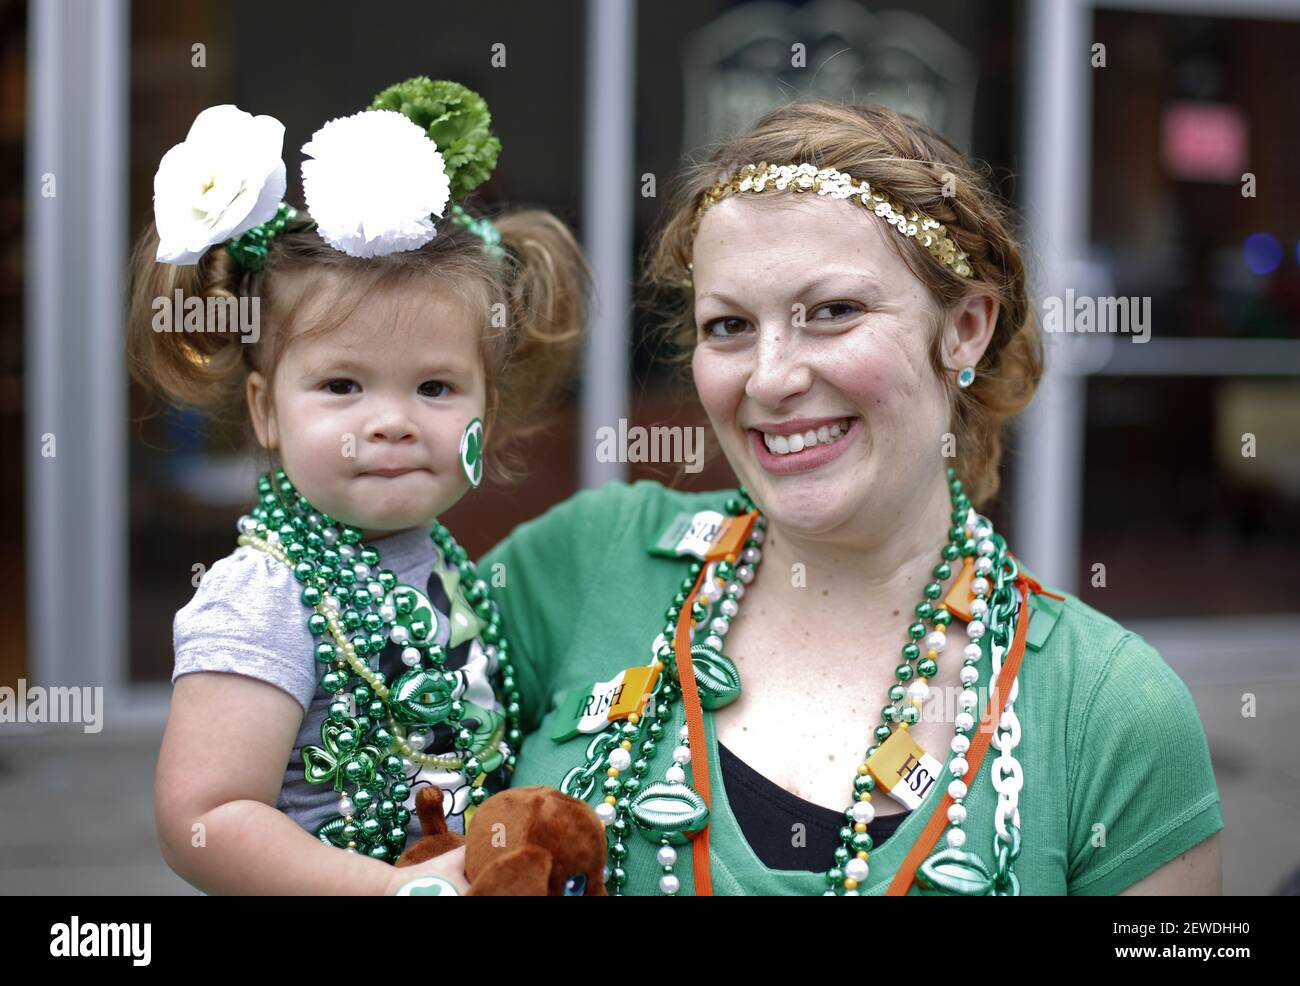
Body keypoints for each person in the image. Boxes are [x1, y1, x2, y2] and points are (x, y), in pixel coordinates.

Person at [481, 100, 1224, 895]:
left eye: (833, 312)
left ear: (965, 328)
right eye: (729, 326)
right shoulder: (588, 562)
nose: (771, 378)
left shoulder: (1111, 710)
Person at [140, 79, 588, 894]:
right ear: (264, 411)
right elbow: (201, 818)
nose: (391, 422)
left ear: (490, 406)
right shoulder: (263, 596)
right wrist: (387, 890)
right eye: (343, 386)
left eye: (436, 389)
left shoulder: (450, 569)